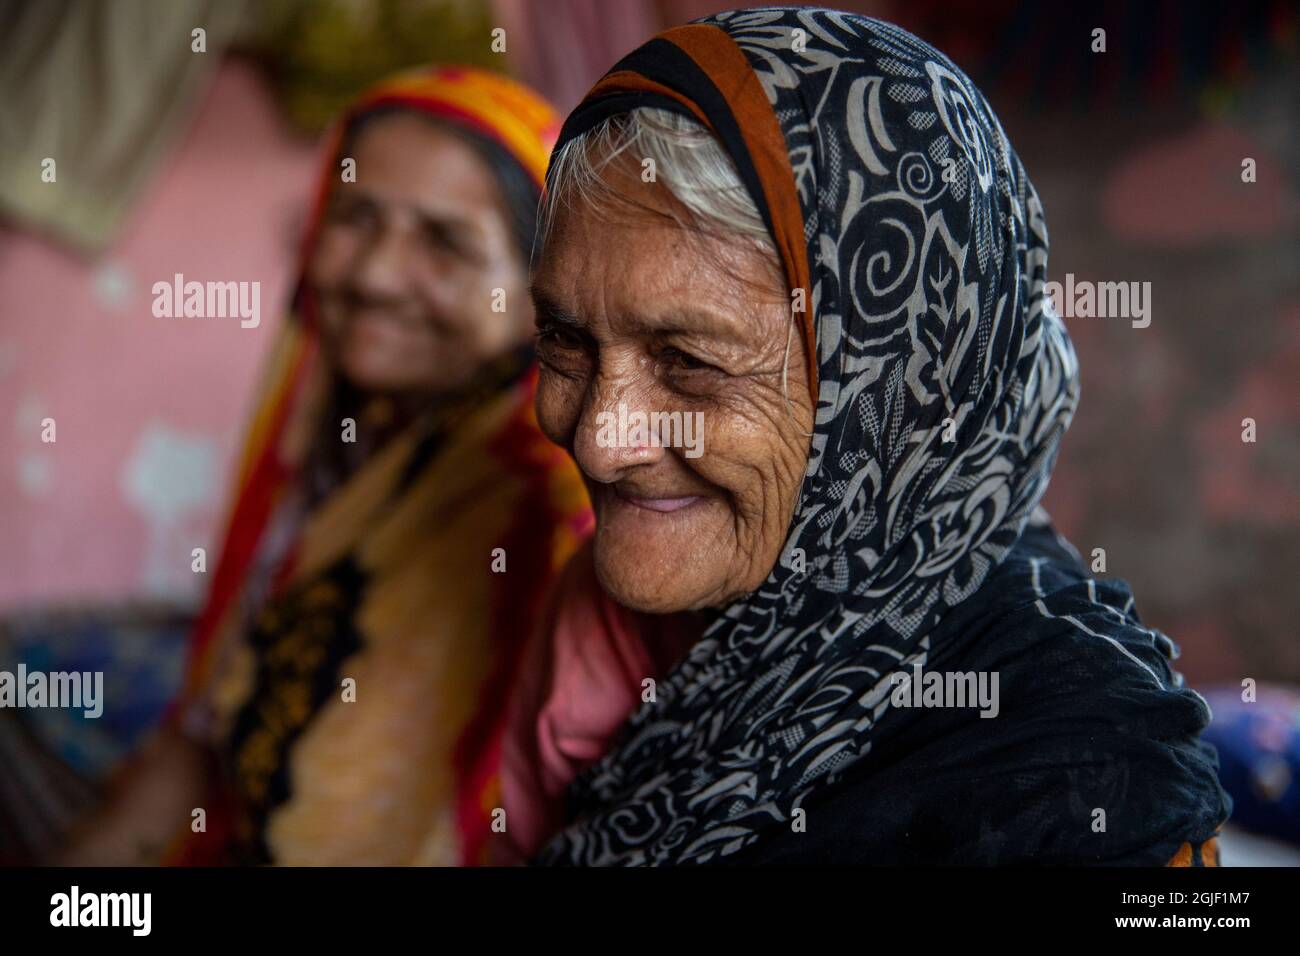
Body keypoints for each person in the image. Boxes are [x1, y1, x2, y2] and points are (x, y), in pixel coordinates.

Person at [501, 8, 1230, 866]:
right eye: (565, 341)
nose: (597, 440)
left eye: (690, 361)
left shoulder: (1080, 775)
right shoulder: (610, 623)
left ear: (902, 380)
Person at [60, 66, 591, 866]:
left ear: (537, 291)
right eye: (354, 218)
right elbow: (200, 742)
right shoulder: (339, 446)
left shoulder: (548, 514)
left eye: (445, 242)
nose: (375, 275)